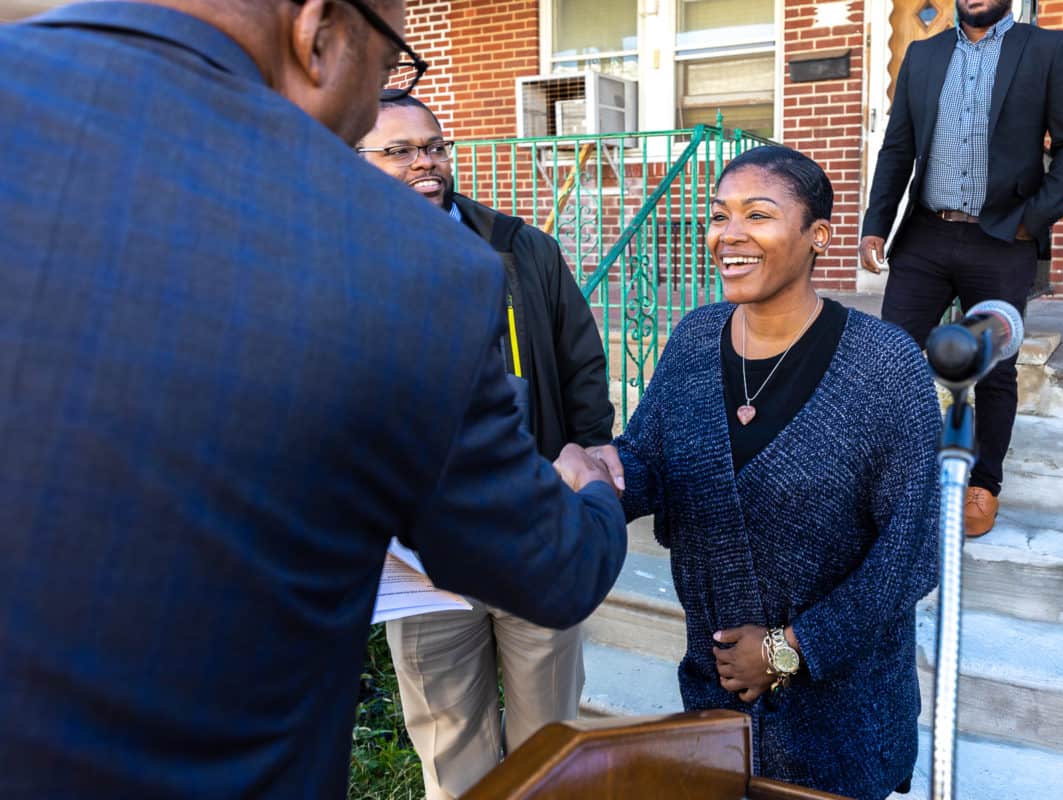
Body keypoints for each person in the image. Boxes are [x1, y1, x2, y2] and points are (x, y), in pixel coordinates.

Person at [0, 2, 626, 798]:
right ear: (321, 31)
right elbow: (554, 567)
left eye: (432, 143)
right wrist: (597, 486)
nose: (380, 108)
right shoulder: (401, 261)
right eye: (392, 61)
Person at [591, 146, 941, 800]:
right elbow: (649, 460)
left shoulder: (885, 367)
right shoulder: (695, 339)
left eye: (758, 214)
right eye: (719, 216)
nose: (729, 235)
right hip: (717, 700)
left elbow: (911, 553)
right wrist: (599, 475)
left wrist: (789, 649)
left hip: (843, 717)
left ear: (817, 237)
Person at [356, 91, 614, 800]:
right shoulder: (341, 260)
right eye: (399, 150)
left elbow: (580, 359)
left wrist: (590, 447)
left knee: (548, 748)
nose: (426, 162)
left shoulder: (518, 246)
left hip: (532, 530)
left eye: (435, 147)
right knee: (452, 746)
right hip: (419, 564)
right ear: (355, 160)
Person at [859, 0, 1063, 536]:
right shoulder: (922, 55)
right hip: (926, 233)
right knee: (888, 359)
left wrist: (1032, 220)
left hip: (1003, 236)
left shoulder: (1047, 49)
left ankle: (983, 483)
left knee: (993, 366)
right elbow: (897, 149)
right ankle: (893, 475)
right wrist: (876, 223)